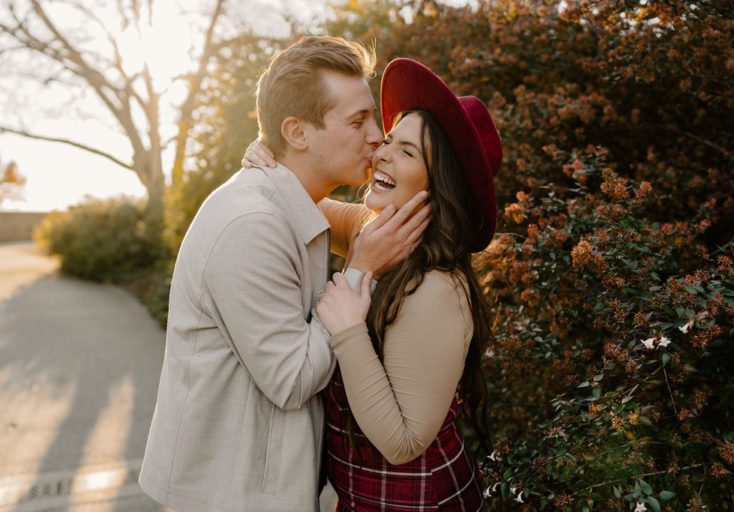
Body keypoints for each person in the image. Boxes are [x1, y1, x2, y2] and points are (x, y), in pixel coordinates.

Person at [138, 37, 430, 512]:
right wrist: (362, 269)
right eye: (358, 121)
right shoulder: (251, 224)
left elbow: (352, 220)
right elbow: (292, 379)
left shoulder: (291, 199)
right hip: (227, 495)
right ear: (297, 132)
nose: (377, 135)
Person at [244, 58, 501, 511]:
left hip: (421, 502)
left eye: (406, 152)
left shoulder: (437, 288)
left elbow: (403, 443)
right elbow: (300, 198)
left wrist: (346, 330)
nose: (381, 152)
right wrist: (267, 159)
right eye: (390, 140)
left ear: (438, 184)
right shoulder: (369, 227)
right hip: (360, 499)